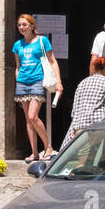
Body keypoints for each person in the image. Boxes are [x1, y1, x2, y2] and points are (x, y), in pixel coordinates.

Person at [13, 14, 62, 162]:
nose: (22, 27)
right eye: (20, 25)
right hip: (22, 83)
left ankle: (48, 147)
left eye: (25, 24)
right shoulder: (17, 45)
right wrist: (18, 80)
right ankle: (34, 153)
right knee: (28, 120)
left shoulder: (42, 40)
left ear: (32, 26)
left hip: (37, 81)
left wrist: (58, 82)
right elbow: (18, 66)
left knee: (33, 116)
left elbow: (52, 61)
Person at [58, 56, 105, 151]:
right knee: (90, 160)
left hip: (78, 129)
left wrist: (74, 128)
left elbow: (74, 111)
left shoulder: (82, 83)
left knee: (79, 158)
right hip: (97, 127)